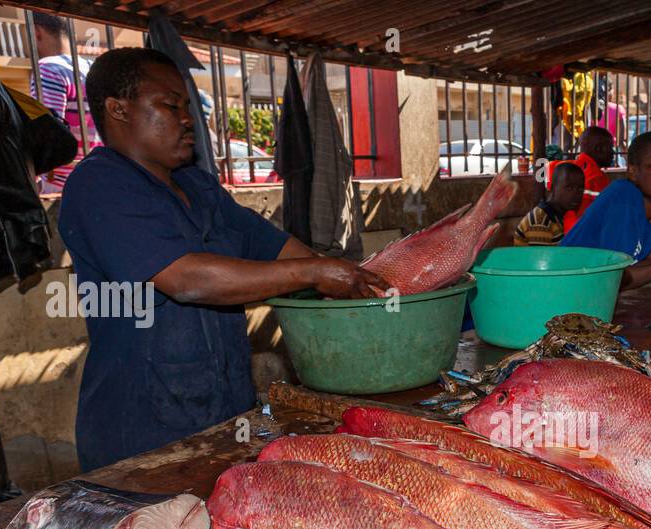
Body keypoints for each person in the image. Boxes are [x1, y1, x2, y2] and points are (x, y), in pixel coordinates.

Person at [58, 48, 385, 472]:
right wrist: (315, 273)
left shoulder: (198, 187)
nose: (187, 118)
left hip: (224, 419)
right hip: (143, 438)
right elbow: (186, 278)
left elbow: (270, 245)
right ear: (118, 110)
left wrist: (348, 282)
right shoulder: (99, 184)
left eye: (186, 107)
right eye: (170, 106)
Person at [561, 130, 651, 290]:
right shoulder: (624, 196)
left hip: (592, 292)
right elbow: (616, 280)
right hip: (565, 288)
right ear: (633, 172)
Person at [30, 12, 102, 193]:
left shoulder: (47, 69)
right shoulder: (91, 69)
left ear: (37, 32)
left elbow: (47, 135)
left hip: (62, 186)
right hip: (97, 174)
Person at [559, 125, 614, 232]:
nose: (613, 153)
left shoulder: (573, 168)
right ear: (599, 149)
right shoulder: (597, 178)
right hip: (585, 238)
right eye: (610, 147)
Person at [514, 162, 583, 245]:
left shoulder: (556, 216)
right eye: (569, 188)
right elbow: (540, 257)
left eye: (580, 189)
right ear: (552, 188)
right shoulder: (541, 223)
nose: (576, 194)